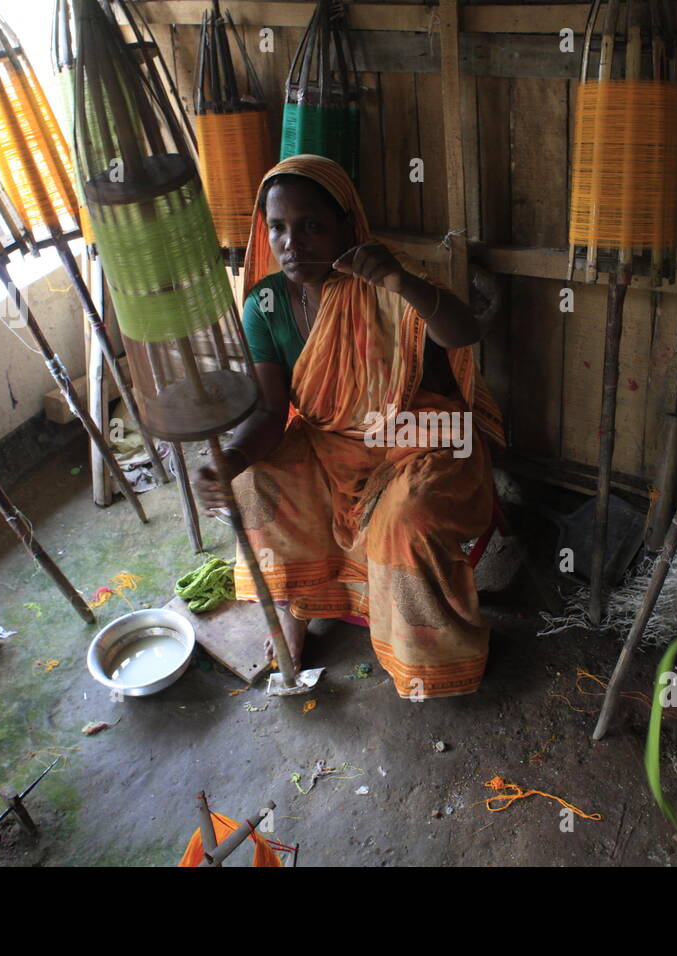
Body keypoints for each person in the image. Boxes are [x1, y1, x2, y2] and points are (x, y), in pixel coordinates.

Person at [192, 154, 504, 699]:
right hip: (330, 440)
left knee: (403, 524)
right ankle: (298, 608)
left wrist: (402, 282)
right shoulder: (264, 303)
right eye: (279, 228)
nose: (293, 242)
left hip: (419, 436)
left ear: (346, 225)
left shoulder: (384, 280)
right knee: (253, 487)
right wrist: (232, 460)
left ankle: (429, 657)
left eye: (312, 225)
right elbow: (270, 412)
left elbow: (463, 334)